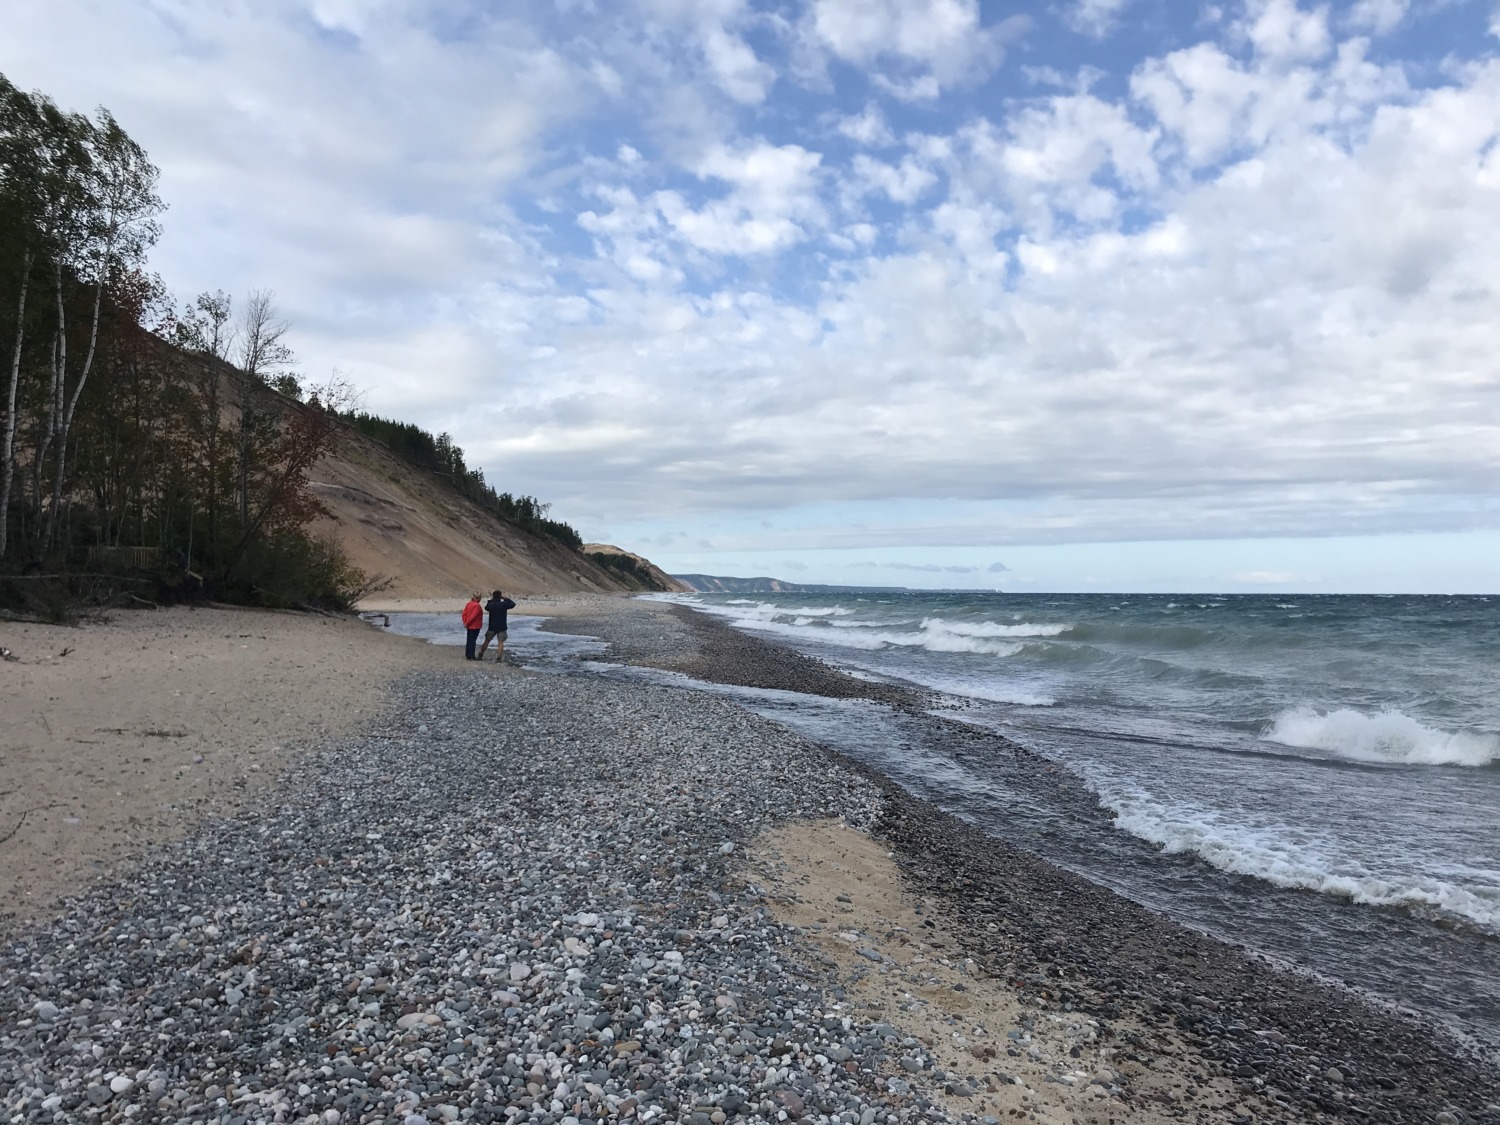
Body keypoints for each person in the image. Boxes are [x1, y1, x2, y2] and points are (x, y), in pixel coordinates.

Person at [477, 589, 517, 663]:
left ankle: (481, 654)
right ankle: (498, 658)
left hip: (492, 626)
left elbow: (487, 607)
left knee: (487, 640)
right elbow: (513, 604)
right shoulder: (503, 604)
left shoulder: (491, 604)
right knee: (500, 642)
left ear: (493, 596)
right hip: (502, 626)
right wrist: (505, 598)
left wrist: (491, 600)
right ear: (500, 596)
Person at [461, 593, 484, 660]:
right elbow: (473, 616)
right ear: (478, 598)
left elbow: (464, 614)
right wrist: (467, 622)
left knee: (469, 640)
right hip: (475, 626)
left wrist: (465, 622)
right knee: (472, 641)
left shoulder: (469, 604)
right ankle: (471, 655)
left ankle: (468, 654)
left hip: (469, 625)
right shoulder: (477, 606)